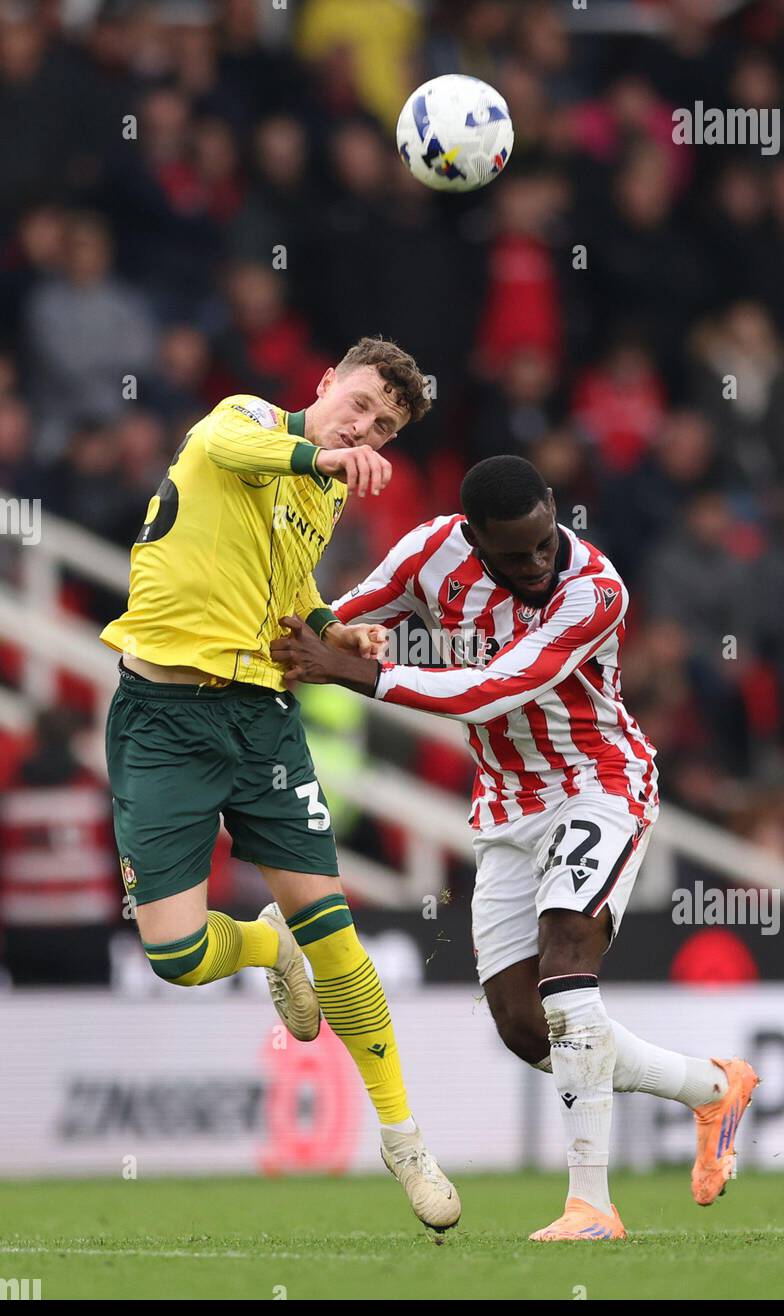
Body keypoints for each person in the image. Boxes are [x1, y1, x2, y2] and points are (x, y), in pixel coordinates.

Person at [273, 454, 758, 1242]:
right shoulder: (431, 551)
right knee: (526, 1028)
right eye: (514, 555)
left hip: (599, 783)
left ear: (555, 511)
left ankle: (590, 1207)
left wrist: (355, 673)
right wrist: (323, 636)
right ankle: (711, 1087)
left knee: (567, 956)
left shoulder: (593, 589)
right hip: (504, 806)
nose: (536, 563)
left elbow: (494, 687)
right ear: (473, 538)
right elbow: (337, 611)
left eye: (543, 542)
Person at [99, 336, 460, 1232]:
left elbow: (289, 585)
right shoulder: (250, 419)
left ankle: (405, 1141)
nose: (365, 428)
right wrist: (322, 450)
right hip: (162, 715)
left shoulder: (325, 486)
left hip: (258, 717)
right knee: (177, 958)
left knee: (335, 929)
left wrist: (340, 630)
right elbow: (235, 451)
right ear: (327, 382)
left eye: (384, 426)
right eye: (362, 403)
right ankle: (268, 949)